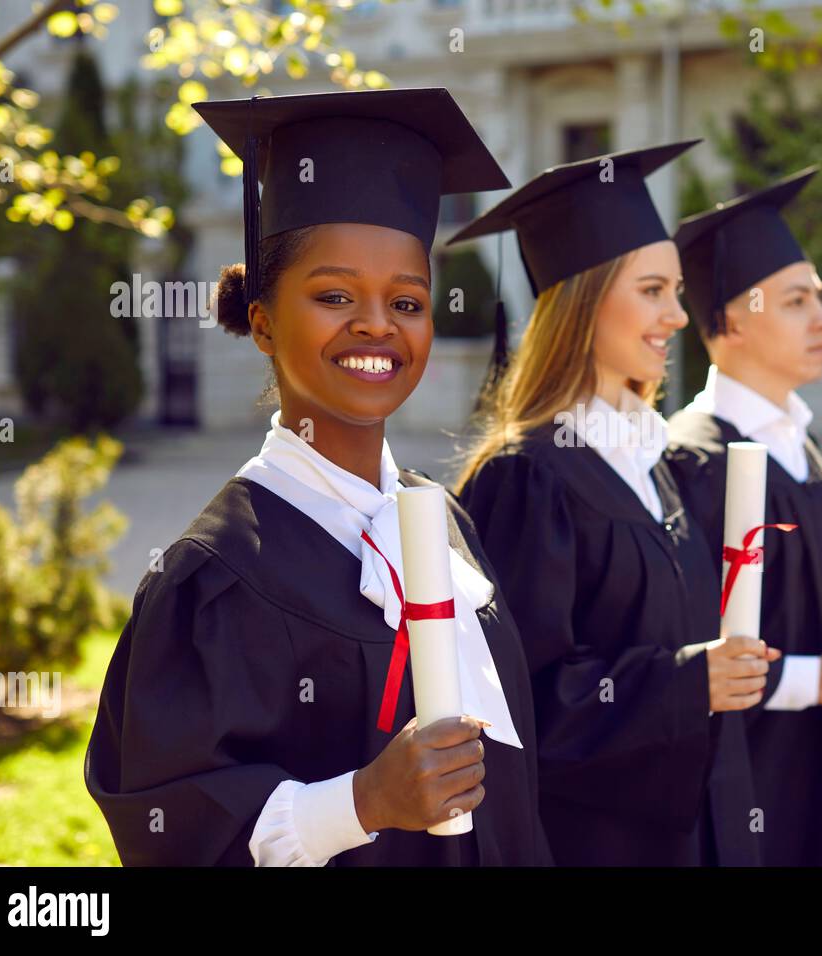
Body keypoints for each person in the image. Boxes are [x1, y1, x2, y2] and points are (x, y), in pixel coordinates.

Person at [85, 88, 548, 866]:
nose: (377, 324)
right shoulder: (215, 577)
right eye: (335, 296)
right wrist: (360, 802)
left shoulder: (443, 524)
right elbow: (170, 832)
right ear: (262, 321)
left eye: (407, 300)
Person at [451, 143, 774, 866]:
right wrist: (688, 682)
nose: (679, 317)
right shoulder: (526, 478)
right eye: (654, 290)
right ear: (586, 298)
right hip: (595, 844)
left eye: (678, 292)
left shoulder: (652, 465)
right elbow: (518, 702)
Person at [664, 168, 822, 865]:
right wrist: (809, 680)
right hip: (741, 792)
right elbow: (686, 656)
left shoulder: (806, 450)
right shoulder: (690, 461)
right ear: (730, 319)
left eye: (819, 300)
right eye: (798, 302)